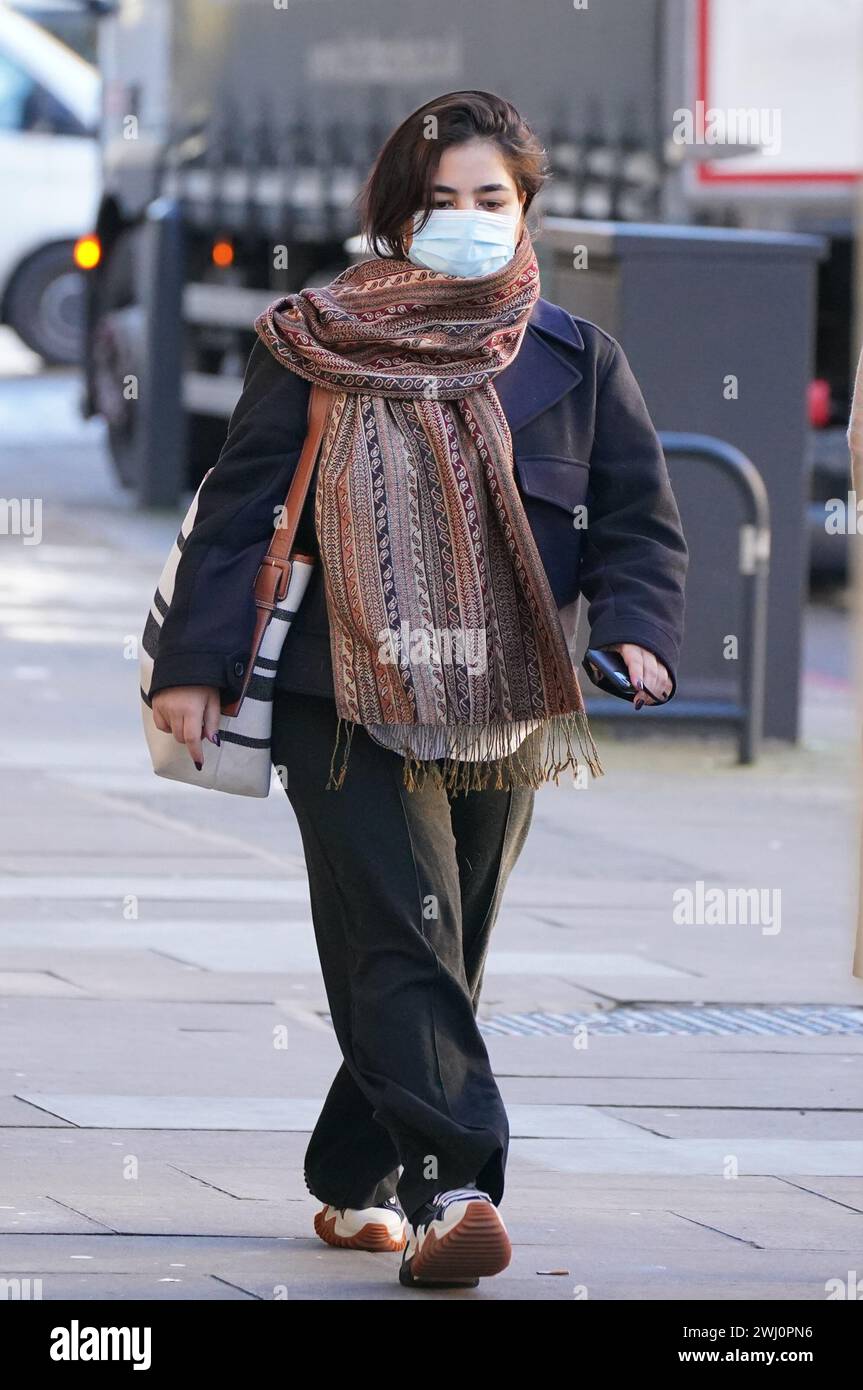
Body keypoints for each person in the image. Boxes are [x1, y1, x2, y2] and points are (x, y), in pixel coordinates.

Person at [147, 90, 688, 1289]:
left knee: (451, 943)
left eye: (488, 199)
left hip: (505, 706)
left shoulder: (573, 356)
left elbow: (639, 527)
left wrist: (640, 634)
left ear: (525, 208)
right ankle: (456, 1185)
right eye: (439, 201)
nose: (465, 220)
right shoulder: (310, 338)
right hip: (338, 695)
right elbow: (239, 514)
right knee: (404, 927)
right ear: (395, 213)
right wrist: (192, 669)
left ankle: (353, 1179)